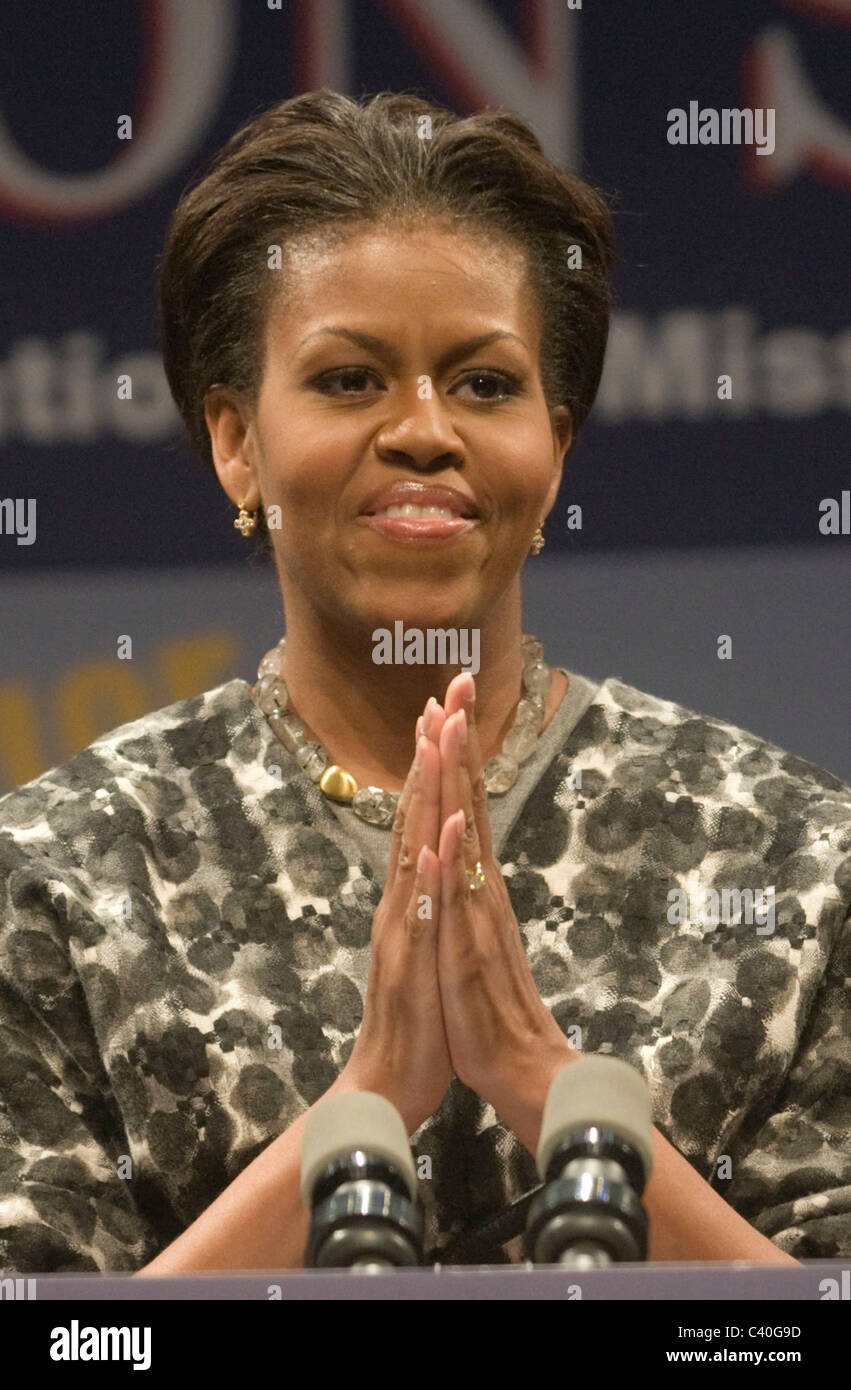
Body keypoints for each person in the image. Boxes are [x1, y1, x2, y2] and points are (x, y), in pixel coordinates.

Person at [1, 90, 849, 1276]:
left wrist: (543, 1086)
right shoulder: (57, 878)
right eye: (349, 380)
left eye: (485, 385)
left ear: (555, 447)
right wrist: (365, 1104)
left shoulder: (794, 859)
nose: (422, 430)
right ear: (237, 440)